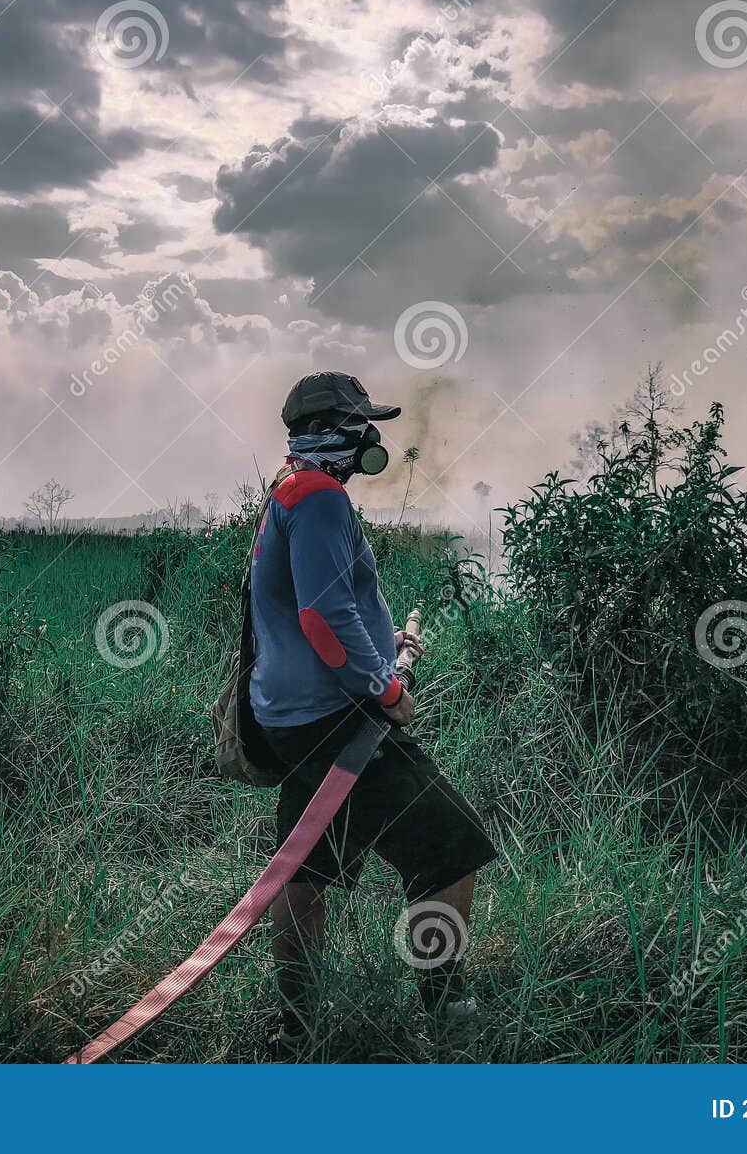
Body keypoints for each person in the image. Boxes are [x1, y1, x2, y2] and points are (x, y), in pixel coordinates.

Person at [249, 371, 497, 1053]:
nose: (371, 439)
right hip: (338, 720)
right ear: (337, 430)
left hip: (295, 716)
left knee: (308, 867)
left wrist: (383, 643)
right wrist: (387, 691)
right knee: (453, 849)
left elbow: (315, 612)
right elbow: (321, 618)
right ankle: (445, 1011)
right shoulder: (323, 499)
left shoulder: (289, 492)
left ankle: (294, 1027)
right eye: (363, 425)